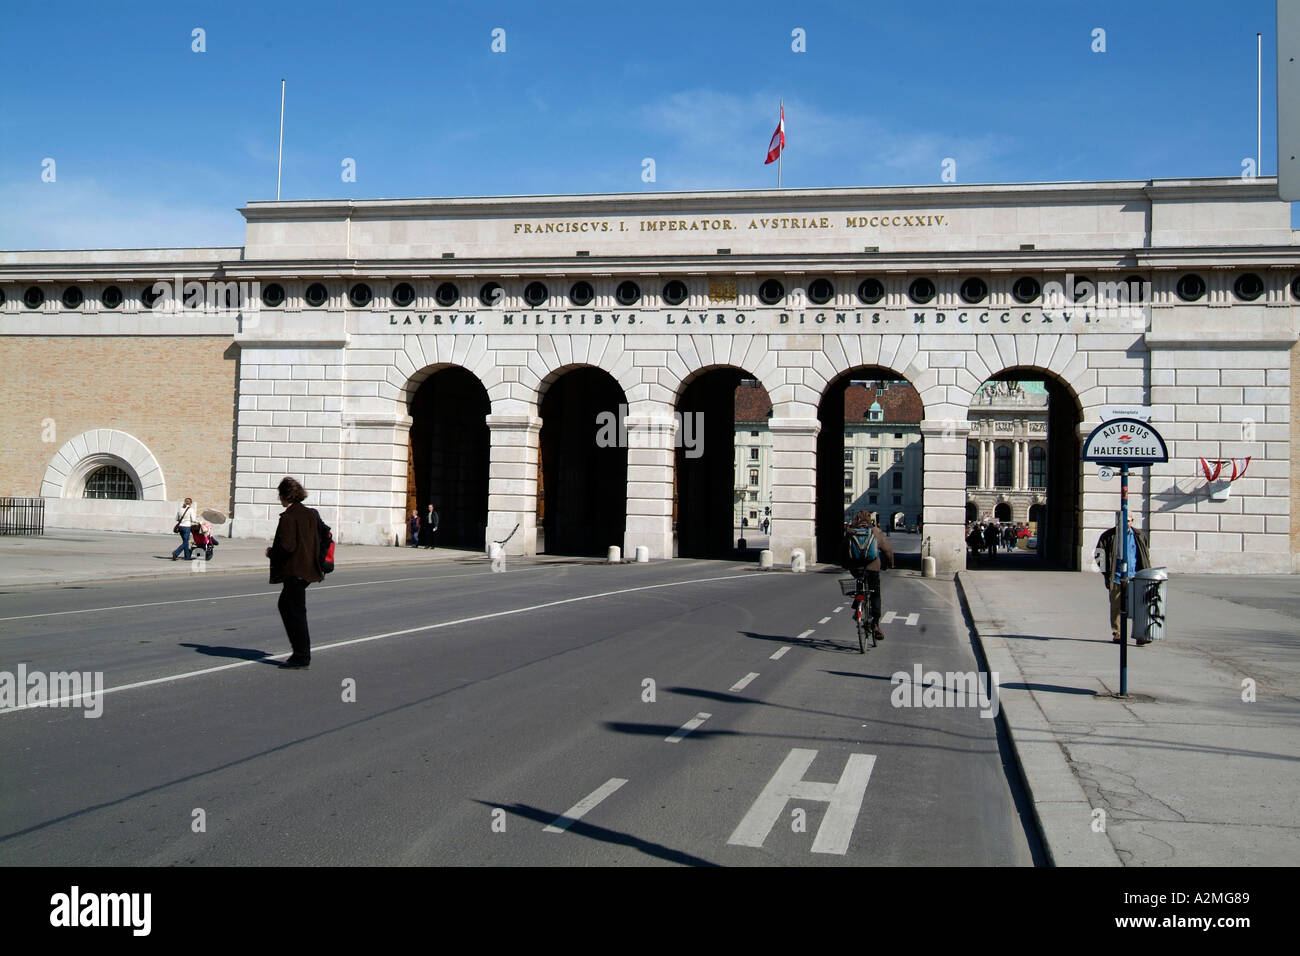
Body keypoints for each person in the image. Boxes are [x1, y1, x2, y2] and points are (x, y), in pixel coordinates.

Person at [266, 477, 324, 669]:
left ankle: (301, 656)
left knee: (296, 612)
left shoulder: (289, 517)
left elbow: (287, 546)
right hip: (308, 568)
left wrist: (271, 552)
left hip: (295, 570)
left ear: (284, 496)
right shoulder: (311, 514)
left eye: (280, 495)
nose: (279, 499)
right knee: (285, 605)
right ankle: (299, 652)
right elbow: (324, 535)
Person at [1097, 514, 1152, 645]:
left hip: (1136, 577)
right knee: (1116, 607)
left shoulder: (1139, 535)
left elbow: (1145, 554)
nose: (1126, 523)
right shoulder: (1108, 536)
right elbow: (1099, 554)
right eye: (1123, 521)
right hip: (1116, 578)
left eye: (1128, 520)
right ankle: (1117, 634)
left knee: (1138, 607)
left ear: (1132, 521)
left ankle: (1140, 634)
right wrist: (1106, 572)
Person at [840, 511, 895, 642]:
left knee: (860, 585)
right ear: (870, 519)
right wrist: (890, 564)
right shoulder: (875, 531)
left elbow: (842, 550)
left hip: (856, 568)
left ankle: (858, 604)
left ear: (857, 519)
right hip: (873, 568)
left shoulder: (850, 531)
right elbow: (887, 550)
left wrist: (845, 565)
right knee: (875, 594)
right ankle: (875, 624)